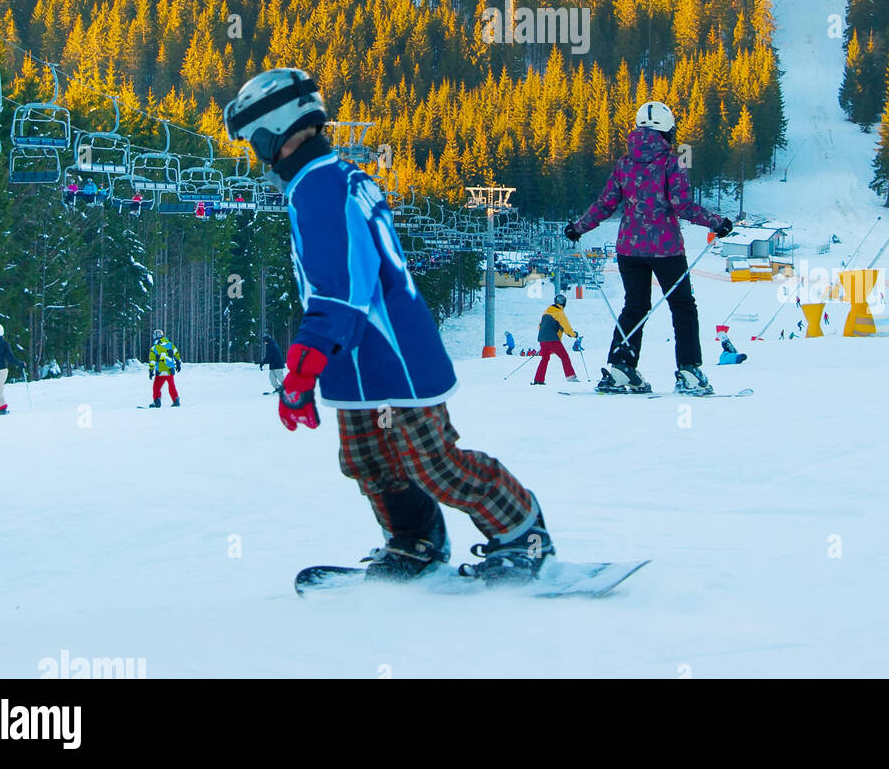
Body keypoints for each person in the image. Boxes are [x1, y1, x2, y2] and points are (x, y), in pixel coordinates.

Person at [224, 67, 553, 584]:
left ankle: (521, 532)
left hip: (390, 352)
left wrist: (303, 367)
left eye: (254, 143)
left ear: (273, 131)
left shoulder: (318, 188)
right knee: (369, 459)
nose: (257, 156)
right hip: (356, 358)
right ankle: (415, 539)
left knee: (432, 461)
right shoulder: (337, 176)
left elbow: (342, 288)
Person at [565, 100, 731, 395]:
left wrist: (578, 228)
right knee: (682, 307)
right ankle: (689, 371)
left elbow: (606, 204)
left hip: (629, 249)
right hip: (666, 249)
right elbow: (682, 206)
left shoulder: (624, 163)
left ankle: (621, 368)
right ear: (667, 129)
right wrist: (717, 222)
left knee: (635, 305)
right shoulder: (673, 161)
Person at [531, 292, 578, 385]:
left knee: (544, 359)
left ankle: (538, 379)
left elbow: (540, 327)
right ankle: (570, 376)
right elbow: (567, 328)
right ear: (564, 304)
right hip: (553, 339)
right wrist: (574, 335)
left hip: (542, 339)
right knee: (564, 357)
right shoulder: (560, 313)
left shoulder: (546, 312)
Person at [148, 327, 182, 406]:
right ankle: (176, 399)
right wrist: (178, 363)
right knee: (171, 385)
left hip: (160, 370)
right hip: (170, 369)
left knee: (156, 387)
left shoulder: (154, 348)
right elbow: (176, 353)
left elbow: (152, 361)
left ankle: (157, 401)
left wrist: (151, 370)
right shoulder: (170, 345)